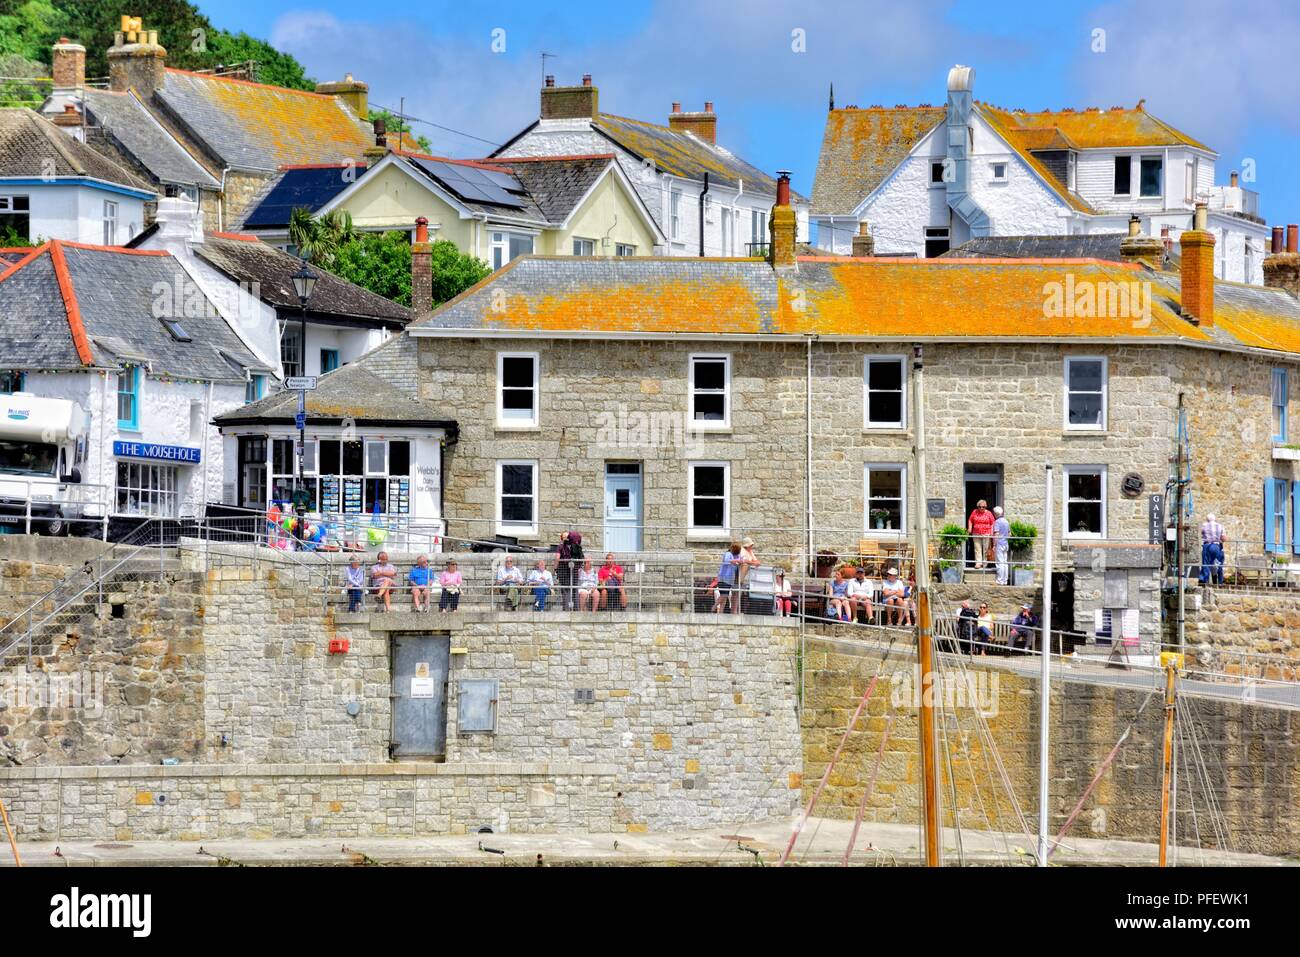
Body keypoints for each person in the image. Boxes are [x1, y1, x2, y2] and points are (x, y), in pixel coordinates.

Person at [735, 536, 760, 612]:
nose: (752, 546)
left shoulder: (750, 551)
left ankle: (736, 610)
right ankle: (734, 610)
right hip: (738, 574)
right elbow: (743, 560)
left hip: (745, 576)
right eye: (750, 545)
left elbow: (757, 562)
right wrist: (752, 562)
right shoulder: (742, 550)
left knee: (739, 593)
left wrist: (751, 562)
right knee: (736, 593)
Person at [1199, 513, 1226, 586]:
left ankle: (1205, 581)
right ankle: (1220, 582)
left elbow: (1200, 534)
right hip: (1217, 546)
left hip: (1207, 546)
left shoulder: (1204, 525)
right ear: (1214, 519)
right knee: (1218, 563)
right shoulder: (1220, 526)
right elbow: (1223, 538)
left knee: (1206, 563)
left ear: (1207, 519)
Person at [714, 543, 741, 614]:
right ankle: (713, 607)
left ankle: (720, 613)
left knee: (725, 597)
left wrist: (739, 560)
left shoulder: (735, 556)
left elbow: (741, 560)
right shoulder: (728, 554)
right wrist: (737, 561)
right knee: (724, 595)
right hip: (724, 578)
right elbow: (726, 560)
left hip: (729, 580)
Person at [968, 500, 996, 569]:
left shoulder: (989, 513)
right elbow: (970, 520)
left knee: (986, 549)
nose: (981, 508)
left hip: (986, 533)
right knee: (977, 548)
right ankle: (978, 563)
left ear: (985, 507)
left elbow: (993, 522)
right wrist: (970, 528)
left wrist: (992, 532)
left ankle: (985, 563)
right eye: (979, 507)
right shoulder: (974, 512)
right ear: (977, 507)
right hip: (976, 533)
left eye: (983, 507)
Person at [556, 531, 576, 610]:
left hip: (563, 570)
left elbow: (557, 558)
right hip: (574, 570)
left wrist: (555, 568)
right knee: (574, 590)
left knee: (565, 591)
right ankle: (575, 609)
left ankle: (566, 609)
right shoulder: (575, 546)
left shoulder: (560, 547)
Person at [992, 506, 1012, 585]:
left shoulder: (997, 522)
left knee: (999, 562)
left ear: (995, 514)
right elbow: (1010, 534)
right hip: (1005, 543)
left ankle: (999, 580)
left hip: (999, 544)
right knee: (1005, 562)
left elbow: (996, 534)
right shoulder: (1006, 521)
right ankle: (1005, 580)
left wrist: (994, 544)